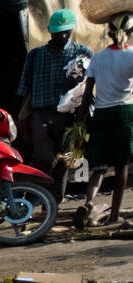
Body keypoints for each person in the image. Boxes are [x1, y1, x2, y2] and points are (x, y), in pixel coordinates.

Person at [18, 10, 92, 200]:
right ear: (49, 31)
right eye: (58, 32)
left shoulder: (82, 52)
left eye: (65, 32)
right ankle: (36, 199)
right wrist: (23, 118)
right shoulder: (35, 55)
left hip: (68, 117)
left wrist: (82, 118)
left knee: (63, 162)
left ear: (71, 30)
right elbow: (25, 89)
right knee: (43, 159)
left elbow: (88, 87)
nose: (62, 36)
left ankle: (53, 203)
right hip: (41, 114)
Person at [77, 13, 133, 226]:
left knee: (99, 165)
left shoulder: (98, 58)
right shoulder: (131, 55)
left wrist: (80, 121)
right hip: (125, 114)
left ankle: (89, 202)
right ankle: (114, 214)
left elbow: (88, 93)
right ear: (128, 33)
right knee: (121, 166)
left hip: (101, 115)